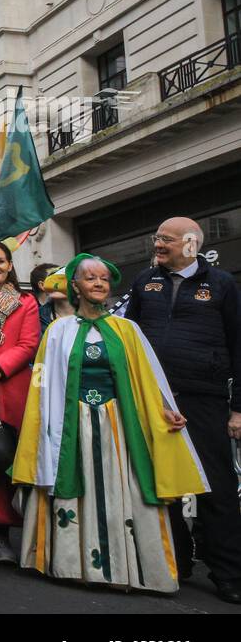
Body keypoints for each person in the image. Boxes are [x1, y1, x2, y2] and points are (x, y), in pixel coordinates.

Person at [13, 254, 207, 593]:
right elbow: (41, 385)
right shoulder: (57, 332)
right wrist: (38, 425)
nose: (99, 283)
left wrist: (164, 409)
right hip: (71, 425)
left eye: (104, 278)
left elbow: (147, 377)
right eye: (90, 278)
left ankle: (126, 568)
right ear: (76, 285)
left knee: (124, 492)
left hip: (118, 425)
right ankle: (73, 565)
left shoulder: (127, 329)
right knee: (76, 487)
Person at [125, 218, 241, 604]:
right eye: (156, 237)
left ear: (191, 244)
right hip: (156, 400)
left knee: (216, 487)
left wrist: (238, 409)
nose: (158, 244)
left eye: (167, 240)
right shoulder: (144, 281)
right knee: (163, 485)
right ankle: (177, 560)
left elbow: (239, 347)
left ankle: (228, 573)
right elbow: (130, 337)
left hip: (205, 399)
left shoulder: (222, 284)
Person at [0, 240, 39, 565]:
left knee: (9, 459)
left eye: (0, 260)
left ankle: (6, 533)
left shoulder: (27, 302)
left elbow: (29, 344)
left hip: (12, 388)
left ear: (10, 265)